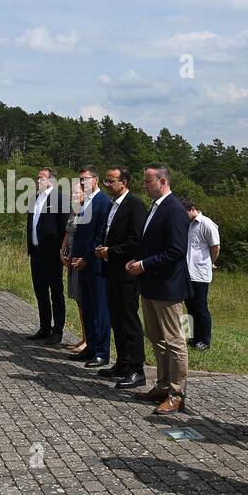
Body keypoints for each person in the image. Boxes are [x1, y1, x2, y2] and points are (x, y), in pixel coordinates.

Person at [126, 166, 190, 415]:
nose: (144, 185)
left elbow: (176, 251)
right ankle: (163, 385)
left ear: (162, 181)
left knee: (174, 341)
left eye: (148, 181)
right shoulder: (156, 206)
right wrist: (135, 260)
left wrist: (143, 264)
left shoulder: (174, 209)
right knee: (156, 337)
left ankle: (177, 392)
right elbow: (149, 243)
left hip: (168, 287)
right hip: (150, 285)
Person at [93, 166, 148, 388]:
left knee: (129, 320)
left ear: (123, 182)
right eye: (105, 181)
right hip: (110, 270)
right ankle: (122, 362)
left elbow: (135, 240)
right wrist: (100, 247)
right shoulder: (111, 205)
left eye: (110, 181)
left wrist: (111, 251)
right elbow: (105, 231)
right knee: (116, 318)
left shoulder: (135, 205)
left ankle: (137, 368)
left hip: (126, 272)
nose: (107, 185)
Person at [69, 166, 112, 367]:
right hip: (81, 263)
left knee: (99, 309)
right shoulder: (85, 201)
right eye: (80, 180)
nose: (82, 183)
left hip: (94, 264)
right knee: (87, 308)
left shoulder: (102, 202)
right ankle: (91, 347)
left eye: (85, 179)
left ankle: (102, 352)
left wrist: (86, 257)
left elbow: (99, 234)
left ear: (95, 180)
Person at [26, 167, 68, 343]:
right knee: (40, 291)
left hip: (52, 254)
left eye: (41, 178)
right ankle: (44, 327)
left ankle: (57, 331)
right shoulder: (34, 198)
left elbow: (65, 228)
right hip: (36, 252)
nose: (37, 181)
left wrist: (61, 251)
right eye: (37, 178)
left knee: (56, 292)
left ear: (51, 181)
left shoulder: (60, 199)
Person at [181, 199, 220, 351]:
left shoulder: (207, 223)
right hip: (186, 272)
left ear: (192, 209)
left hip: (200, 273)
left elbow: (215, 247)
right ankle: (190, 336)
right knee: (188, 306)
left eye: (184, 213)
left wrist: (210, 263)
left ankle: (204, 340)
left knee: (200, 307)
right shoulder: (186, 224)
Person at [60, 182, 88, 354]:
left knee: (84, 301)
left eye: (77, 193)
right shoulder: (74, 210)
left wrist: (71, 255)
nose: (74, 196)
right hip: (70, 258)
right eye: (72, 193)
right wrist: (61, 251)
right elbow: (67, 233)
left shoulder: (87, 211)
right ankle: (84, 338)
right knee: (78, 301)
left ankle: (88, 340)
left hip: (79, 259)